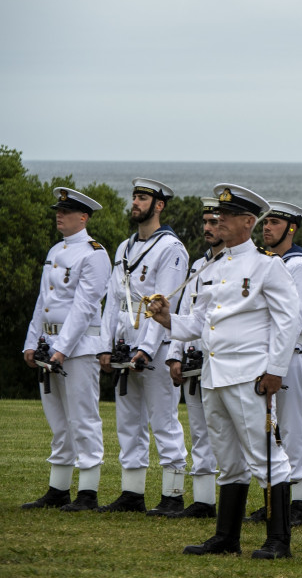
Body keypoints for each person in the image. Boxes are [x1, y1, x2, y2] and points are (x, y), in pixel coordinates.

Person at [147, 183, 301, 559]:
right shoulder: (211, 267)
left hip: (251, 375)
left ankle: (278, 540)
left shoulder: (268, 265)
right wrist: (168, 319)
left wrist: (275, 370)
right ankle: (226, 538)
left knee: (266, 456)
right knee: (228, 459)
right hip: (215, 374)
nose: (221, 220)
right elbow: (200, 323)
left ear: (249, 222)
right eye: (220, 214)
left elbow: (289, 320)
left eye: (229, 216)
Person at [98, 178, 189, 515]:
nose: (135, 202)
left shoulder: (171, 248)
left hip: (156, 347)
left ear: (159, 205)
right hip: (124, 344)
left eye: (142, 198)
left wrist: (147, 349)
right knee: (128, 422)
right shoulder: (124, 247)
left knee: (164, 421)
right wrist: (105, 345)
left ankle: (173, 495)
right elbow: (112, 302)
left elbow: (164, 304)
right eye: (134, 196)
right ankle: (132, 493)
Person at [21, 188, 112, 512]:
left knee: (83, 419)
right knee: (59, 421)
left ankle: (87, 492)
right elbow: (43, 304)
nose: (59, 215)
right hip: (50, 346)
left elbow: (85, 307)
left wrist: (61, 348)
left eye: (67, 211)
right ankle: (58, 488)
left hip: (79, 348)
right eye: (59, 210)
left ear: (83, 217)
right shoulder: (56, 250)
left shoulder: (94, 254)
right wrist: (32, 343)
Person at [257, 201, 302, 525]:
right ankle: (274, 497)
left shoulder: (301, 266)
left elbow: (294, 318)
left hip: (292, 356)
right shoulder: (266, 262)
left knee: (293, 430)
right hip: (264, 357)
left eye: (275, 222)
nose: (267, 227)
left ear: (291, 228)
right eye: (265, 221)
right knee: (267, 431)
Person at [162, 197, 223, 519]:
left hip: (223, 361)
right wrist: (174, 355)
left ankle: (229, 501)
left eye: (215, 222)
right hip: (193, 358)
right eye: (206, 223)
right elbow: (185, 312)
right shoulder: (199, 266)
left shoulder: (239, 266)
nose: (208, 229)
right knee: (199, 431)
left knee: (226, 433)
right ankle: (203, 500)